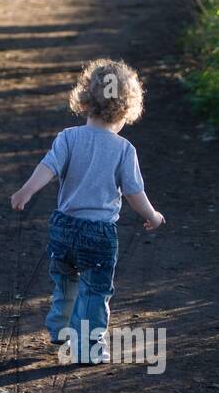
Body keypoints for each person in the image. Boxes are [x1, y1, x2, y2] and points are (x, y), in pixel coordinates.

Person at [10, 58, 164, 364]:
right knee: (94, 291)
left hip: (63, 228)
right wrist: (152, 216)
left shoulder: (68, 137)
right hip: (99, 234)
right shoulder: (123, 150)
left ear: (84, 101)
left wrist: (26, 190)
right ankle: (87, 348)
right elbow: (134, 193)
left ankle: (60, 328)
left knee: (65, 279)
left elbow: (48, 168)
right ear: (125, 110)